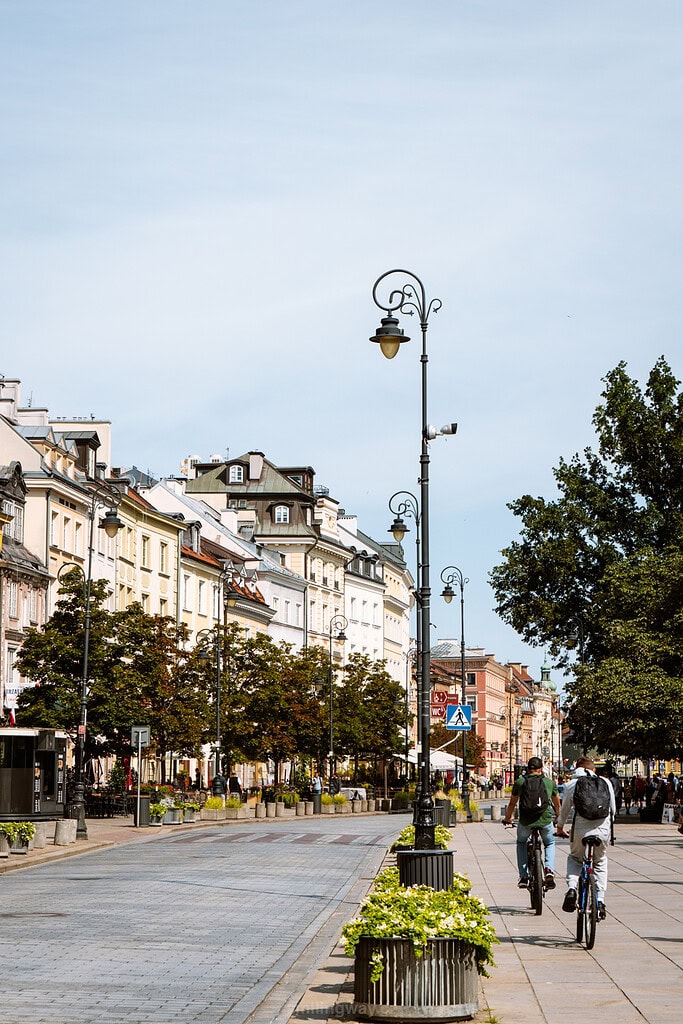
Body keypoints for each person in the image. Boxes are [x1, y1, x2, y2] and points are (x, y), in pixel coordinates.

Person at [556, 756, 616, 920]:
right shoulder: (606, 782)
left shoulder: (571, 785)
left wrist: (560, 827)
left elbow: (565, 810)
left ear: (576, 769)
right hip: (602, 830)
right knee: (600, 860)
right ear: (593, 769)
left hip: (581, 830)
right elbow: (613, 810)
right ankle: (601, 901)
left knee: (575, 858)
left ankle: (572, 889)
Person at [503, 756, 561, 890]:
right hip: (545, 820)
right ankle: (549, 870)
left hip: (526, 821)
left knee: (521, 842)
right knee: (550, 843)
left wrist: (508, 818)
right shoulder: (549, 782)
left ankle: (523, 876)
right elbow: (557, 803)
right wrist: (558, 817)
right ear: (541, 769)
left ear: (528, 769)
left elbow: (512, 802)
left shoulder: (520, 782)